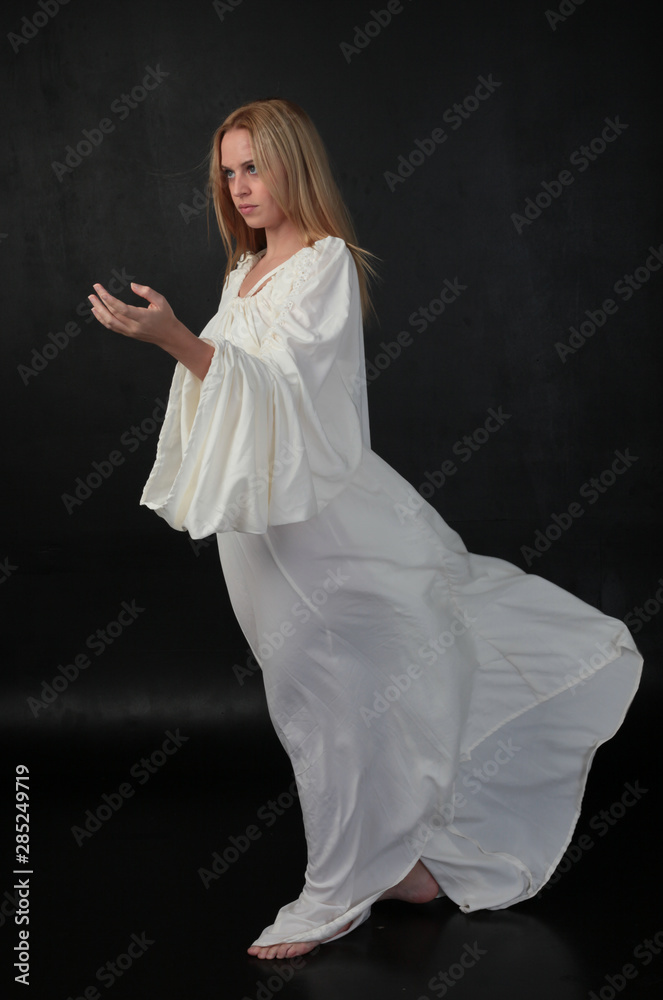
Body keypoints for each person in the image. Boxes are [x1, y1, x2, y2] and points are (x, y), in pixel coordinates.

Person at [88, 97, 643, 962]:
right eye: (227, 171)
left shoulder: (324, 263)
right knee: (305, 694)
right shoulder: (242, 275)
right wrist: (179, 341)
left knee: (366, 678)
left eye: (254, 166)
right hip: (253, 523)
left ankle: (340, 883)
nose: (238, 186)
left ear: (293, 166)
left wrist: (173, 341)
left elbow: (297, 399)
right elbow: (232, 392)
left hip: (317, 516)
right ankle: (397, 866)